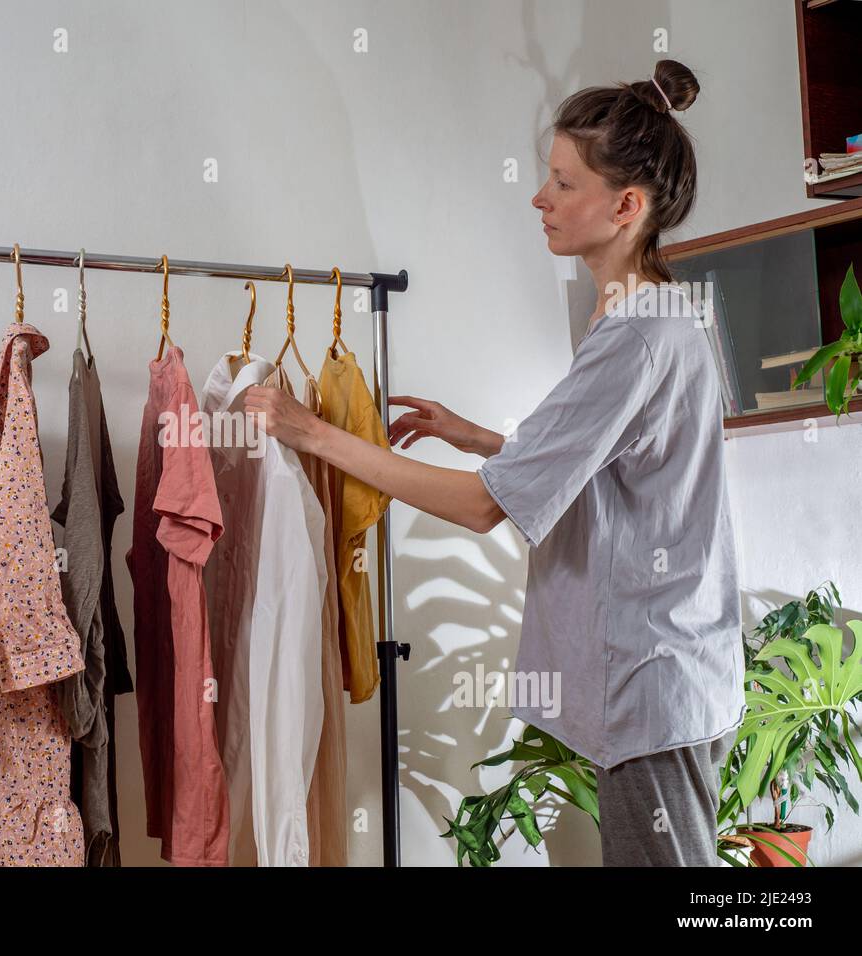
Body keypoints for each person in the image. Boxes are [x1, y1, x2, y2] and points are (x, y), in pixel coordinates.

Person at [244, 59, 746, 867]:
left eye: (562, 182)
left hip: (654, 688)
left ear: (625, 206)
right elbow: (609, 468)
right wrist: (484, 439)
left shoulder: (633, 338)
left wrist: (316, 437)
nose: (539, 198)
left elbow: (485, 509)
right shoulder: (659, 316)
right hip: (678, 672)